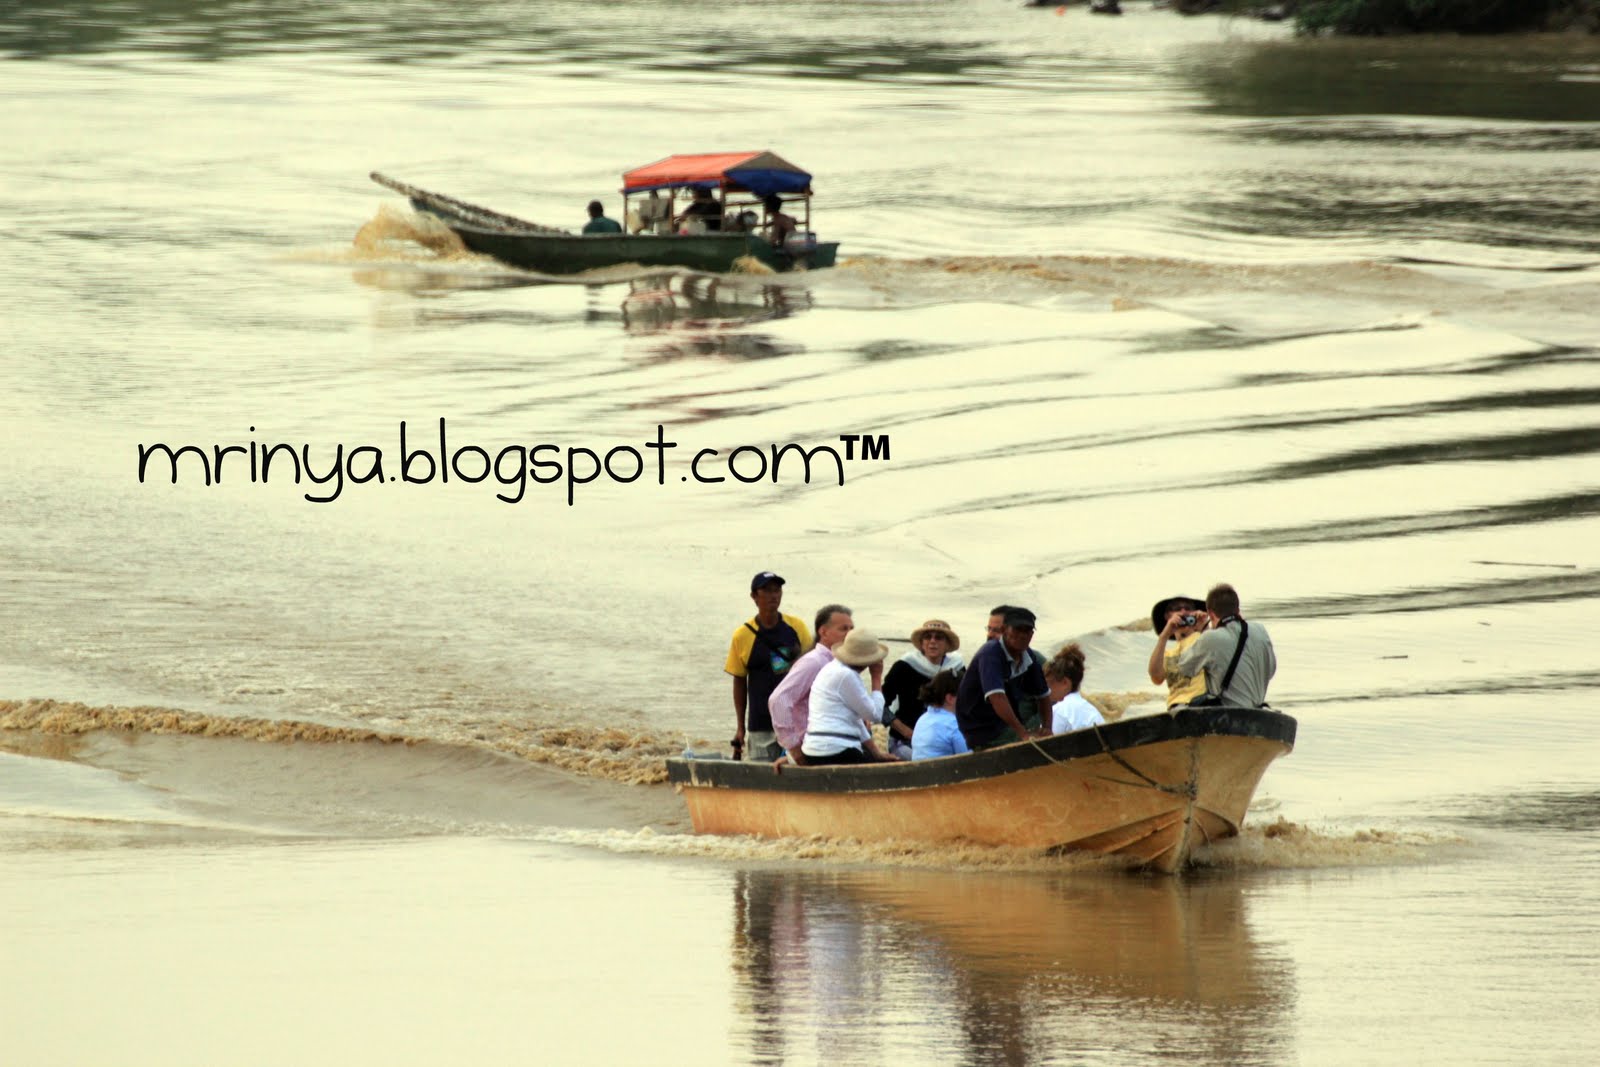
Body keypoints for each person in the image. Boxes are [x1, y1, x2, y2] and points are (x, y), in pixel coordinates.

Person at [725, 572, 813, 761]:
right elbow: (739, 681)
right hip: (761, 725)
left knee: (800, 779)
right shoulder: (742, 635)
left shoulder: (797, 627)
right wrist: (740, 727)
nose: (773, 595)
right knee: (763, 781)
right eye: (766, 591)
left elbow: (814, 670)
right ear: (754, 597)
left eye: (777, 590)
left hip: (797, 723)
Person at [767, 604, 854, 764]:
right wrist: (793, 748)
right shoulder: (813, 662)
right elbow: (779, 700)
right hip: (813, 749)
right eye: (843, 629)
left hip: (834, 745)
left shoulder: (839, 664)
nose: (850, 634)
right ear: (823, 632)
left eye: (851, 628)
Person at [956, 606, 1052, 749]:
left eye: (1027, 631)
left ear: (1032, 634)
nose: (1022, 635)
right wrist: (1023, 734)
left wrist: (1047, 728)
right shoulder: (990, 654)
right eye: (1017, 630)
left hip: (1003, 723)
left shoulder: (1028, 656)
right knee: (1030, 735)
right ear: (1005, 631)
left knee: (1045, 719)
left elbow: (1044, 696)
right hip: (981, 728)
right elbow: (997, 698)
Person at [801, 629, 899, 766]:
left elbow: (854, 719)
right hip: (836, 750)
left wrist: (875, 752)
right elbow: (875, 715)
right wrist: (876, 677)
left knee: (873, 760)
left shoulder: (832, 668)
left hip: (815, 749)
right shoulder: (847, 676)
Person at [1174, 583, 1277, 707]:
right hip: (1258, 712)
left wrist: (1198, 633)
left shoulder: (1209, 638)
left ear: (1211, 614)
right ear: (1238, 610)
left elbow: (1184, 668)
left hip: (1227, 715)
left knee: (1182, 707)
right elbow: (1271, 670)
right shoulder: (1260, 630)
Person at [882, 619, 964, 759]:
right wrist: (907, 732)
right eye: (928, 637)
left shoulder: (956, 669)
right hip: (904, 741)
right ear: (921, 643)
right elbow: (880, 705)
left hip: (943, 739)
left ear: (947, 645)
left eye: (939, 637)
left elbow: (965, 702)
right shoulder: (904, 666)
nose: (932, 641)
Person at [985, 605, 1049, 731]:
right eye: (989, 629)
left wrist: (1030, 730)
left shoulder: (1034, 661)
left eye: (996, 631)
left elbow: (1051, 700)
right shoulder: (987, 659)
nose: (990, 635)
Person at [1146, 594, 1210, 708]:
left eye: (1188, 608)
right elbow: (1156, 677)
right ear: (1167, 616)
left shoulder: (1203, 638)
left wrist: (1203, 627)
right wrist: (1164, 635)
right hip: (1176, 707)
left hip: (1201, 703)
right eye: (1177, 609)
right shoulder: (1168, 653)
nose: (1183, 612)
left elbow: (1217, 654)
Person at [1044, 643, 1105, 733]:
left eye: (1048, 684)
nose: (1046, 690)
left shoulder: (1058, 711)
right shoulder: (1091, 710)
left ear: (1065, 683)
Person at [910, 669, 969, 760]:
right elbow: (969, 758)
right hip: (942, 772)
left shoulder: (922, 719)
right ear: (950, 698)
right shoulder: (953, 724)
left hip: (921, 772)